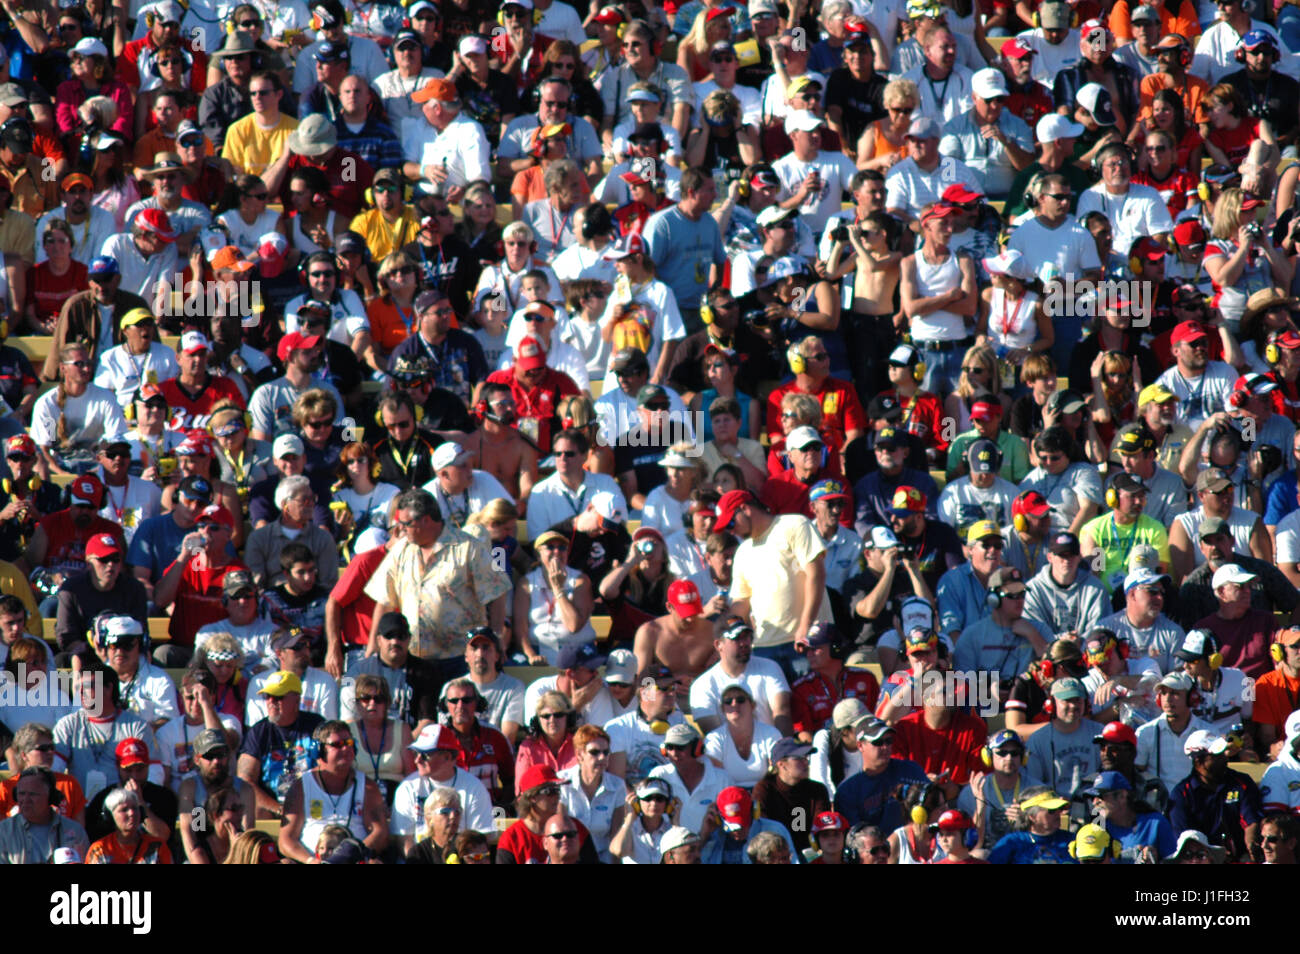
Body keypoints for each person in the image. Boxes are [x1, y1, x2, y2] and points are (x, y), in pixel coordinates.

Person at [278, 719, 387, 863]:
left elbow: (380, 833)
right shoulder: (301, 787)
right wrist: (310, 860)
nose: (346, 749)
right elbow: (286, 840)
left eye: (349, 743)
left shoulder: (367, 787)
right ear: (319, 751)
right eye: (337, 745)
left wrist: (352, 853)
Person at [235, 670, 325, 820]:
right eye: (267, 696)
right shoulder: (259, 731)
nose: (271, 701)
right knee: (255, 810)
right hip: (273, 806)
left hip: (312, 802)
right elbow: (245, 780)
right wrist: (279, 809)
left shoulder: (316, 726)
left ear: (297, 699)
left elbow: (329, 766)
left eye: (278, 697)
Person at [391, 723, 494, 851]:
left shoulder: (474, 788)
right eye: (416, 753)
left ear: (448, 757)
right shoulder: (408, 787)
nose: (417, 760)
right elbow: (405, 842)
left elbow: (480, 840)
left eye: (425, 755)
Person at [1167, 728, 1262, 862]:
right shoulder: (1181, 794)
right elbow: (1185, 839)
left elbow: (1251, 820)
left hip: (1242, 858)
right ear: (1198, 762)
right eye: (1216, 756)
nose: (1224, 758)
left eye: (1223, 753)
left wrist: (1252, 846)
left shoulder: (1242, 782)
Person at [832, 716, 929, 830]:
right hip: (876, 846)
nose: (885, 747)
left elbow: (934, 808)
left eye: (889, 741)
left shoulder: (911, 770)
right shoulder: (847, 792)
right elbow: (856, 837)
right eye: (877, 742)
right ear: (860, 746)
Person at [496, 763, 599, 864]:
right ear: (532, 797)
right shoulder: (511, 839)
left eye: (557, 790)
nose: (556, 796)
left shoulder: (573, 829)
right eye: (549, 791)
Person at [82, 738, 177, 844]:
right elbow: (95, 841)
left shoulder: (163, 796)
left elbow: (162, 836)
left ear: (148, 766)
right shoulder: (103, 799)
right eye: (128, 770)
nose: (134, 776)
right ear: (117, 767)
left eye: (140, 769)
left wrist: (140, 802)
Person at [1024, 677, 1104, 800]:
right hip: (1054, 809)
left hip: (1095, 804)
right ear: (1052, 704)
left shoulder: (1100, 732)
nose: (1073, 705)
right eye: (1066, 700)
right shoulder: (1037, 741)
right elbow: (1033, 785)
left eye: (1077, 700)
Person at [1135, 671, 1213, 795]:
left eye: (1175, 693)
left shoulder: (1209, 733)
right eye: (1164, 693)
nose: (1167, 699)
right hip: (1159, 807)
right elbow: (1137, 772)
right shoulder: (1145, 732)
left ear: (1191, 698)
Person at [0, 768, 90, 864]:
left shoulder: (75, 831)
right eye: (21, 794)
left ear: (51, 797)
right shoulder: (3, 832)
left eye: (32, 794)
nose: (25, 800)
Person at [1084, 769, 1177, 863]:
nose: (1094, 802)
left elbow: (1174, 861)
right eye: (1093, 797)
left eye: (1101, 796)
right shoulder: (1097, 831)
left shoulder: (1156, 823)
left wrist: (1156, 860)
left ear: (1122, 796)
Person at [698, 784, 799, 864]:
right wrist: (704, 836)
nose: (737, 831)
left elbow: (793, 861)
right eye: (732, 827)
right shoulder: (713, 834)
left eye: (742, 825)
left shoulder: (775, 830)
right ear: (718, 818)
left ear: (754, 811)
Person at [985, 786, 1075, 864]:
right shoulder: (1012, 842)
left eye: (1059, 808)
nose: (1058, 813)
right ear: (1032, 817)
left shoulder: (1072, 840)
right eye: (1051, 810)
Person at [84, 786, 172, 864]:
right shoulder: (100, 849)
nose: (131, 813)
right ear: (110, 817)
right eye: (124, 810)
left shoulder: (157, 847)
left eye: (135, 808)